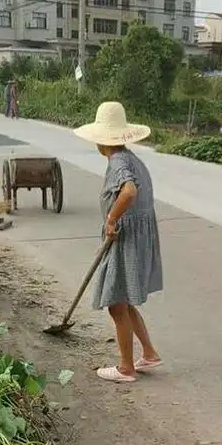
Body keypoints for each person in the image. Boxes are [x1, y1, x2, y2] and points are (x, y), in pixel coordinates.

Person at [74, 102, 163, 383]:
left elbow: (129, 191)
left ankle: (126, 368)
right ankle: (148, 353)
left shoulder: (118, 163)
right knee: (122, 300)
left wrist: (111, 218)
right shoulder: (133, 159)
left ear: (102, 140)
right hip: (137, 236)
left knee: (115, 303)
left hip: (127, 238)